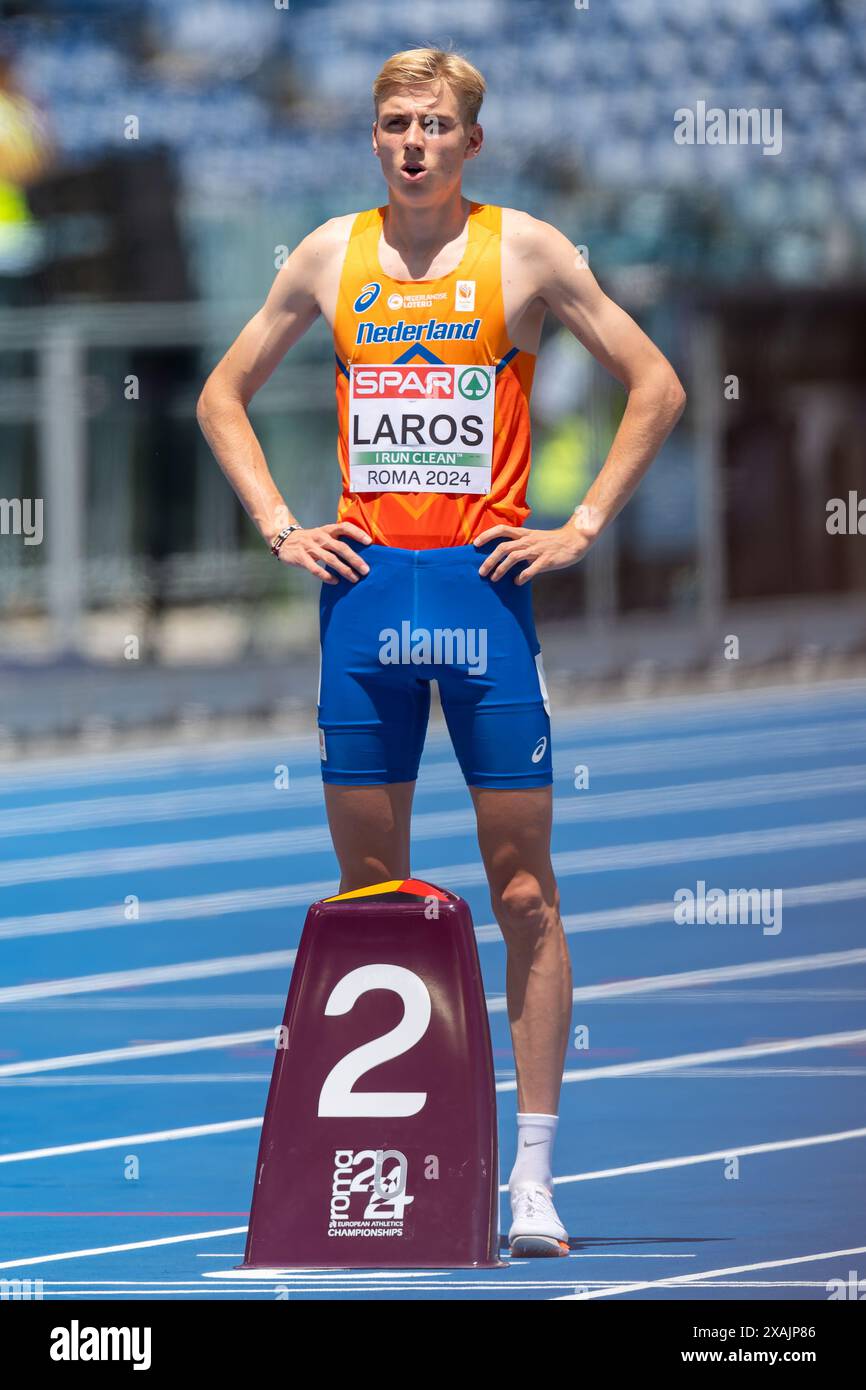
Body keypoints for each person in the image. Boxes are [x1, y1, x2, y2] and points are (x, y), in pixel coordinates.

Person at [197, 46, 685, 1257]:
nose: (411, 143)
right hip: (362, 603)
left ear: (471, 141)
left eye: (432, 125)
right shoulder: (326, 252)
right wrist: (277, 524)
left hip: (481, 600)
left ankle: (529, 1176)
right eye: (393, 124)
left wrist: (576, 525)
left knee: (522, 892)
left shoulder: (524, 251)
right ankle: (397, 1170)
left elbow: (657, 384)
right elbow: (221, 395)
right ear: (374, 138)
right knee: (376, 900)